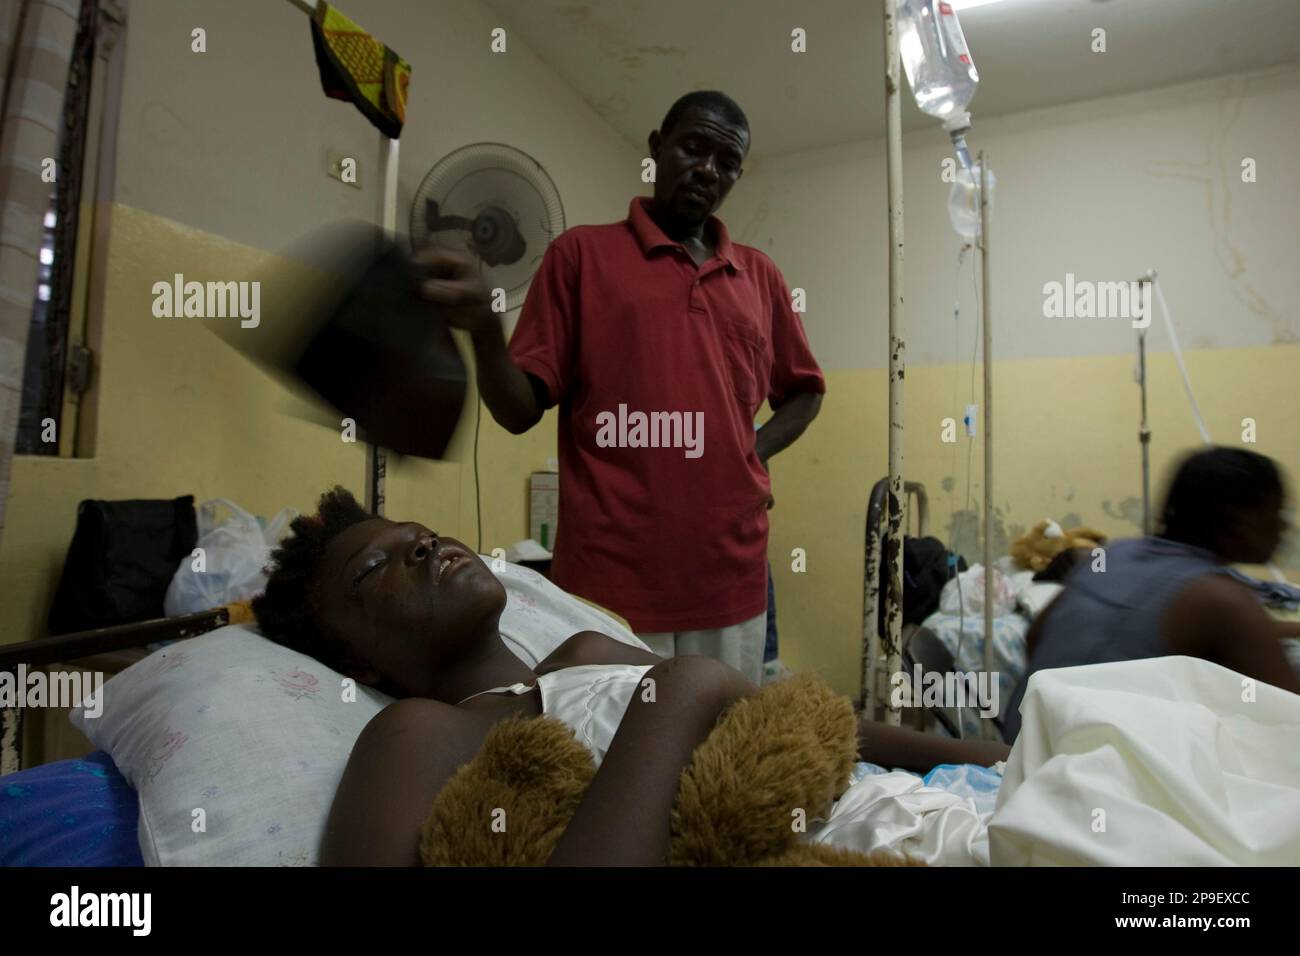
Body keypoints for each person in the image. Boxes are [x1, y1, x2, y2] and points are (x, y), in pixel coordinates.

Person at [252, 487, 1008, 867]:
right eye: (375, 566)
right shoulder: (419, 732)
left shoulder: (586, 648)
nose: (424, 546)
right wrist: (679, 697)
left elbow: (797, 720)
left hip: (917, 806)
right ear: (356, 660)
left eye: (421, 534)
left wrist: (990, 757)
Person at [413, 91, 825, 684]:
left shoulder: (759, 276)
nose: (708, 169)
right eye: (693, 147)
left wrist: (749, 453)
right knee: (609, 753)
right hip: (611, 581)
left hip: (731, 575)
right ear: (657, 146)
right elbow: (518, 409)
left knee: (721, 753)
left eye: (727, 160)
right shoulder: (581, 256)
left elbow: (805, 390)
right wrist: (483, 327)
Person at [1001, 447, 1300, 742]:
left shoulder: (1111, 556)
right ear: (1240, 522)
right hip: (1093, 775)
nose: (1286, 525)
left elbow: (1037, 637)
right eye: (1277, 512)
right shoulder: (1223, 599)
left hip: (1022, 741)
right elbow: (1290, 716)